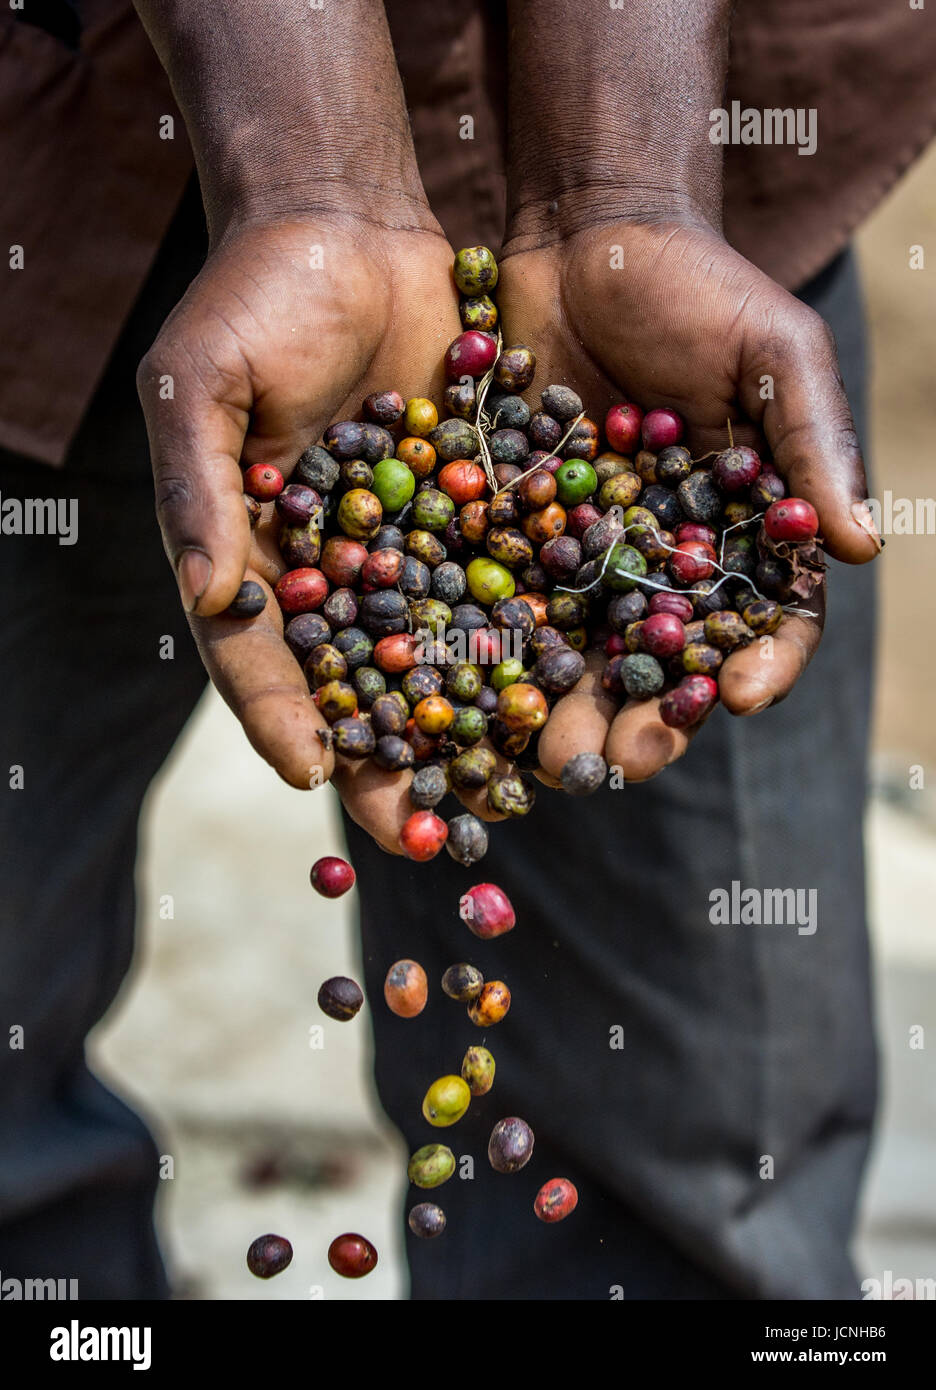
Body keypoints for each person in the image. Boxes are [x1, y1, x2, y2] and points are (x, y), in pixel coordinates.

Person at [0, 0, 932, 1299]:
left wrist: (623, 181)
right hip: (58, 143)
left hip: (679, 158)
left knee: (672, 1174)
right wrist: (309, 166)